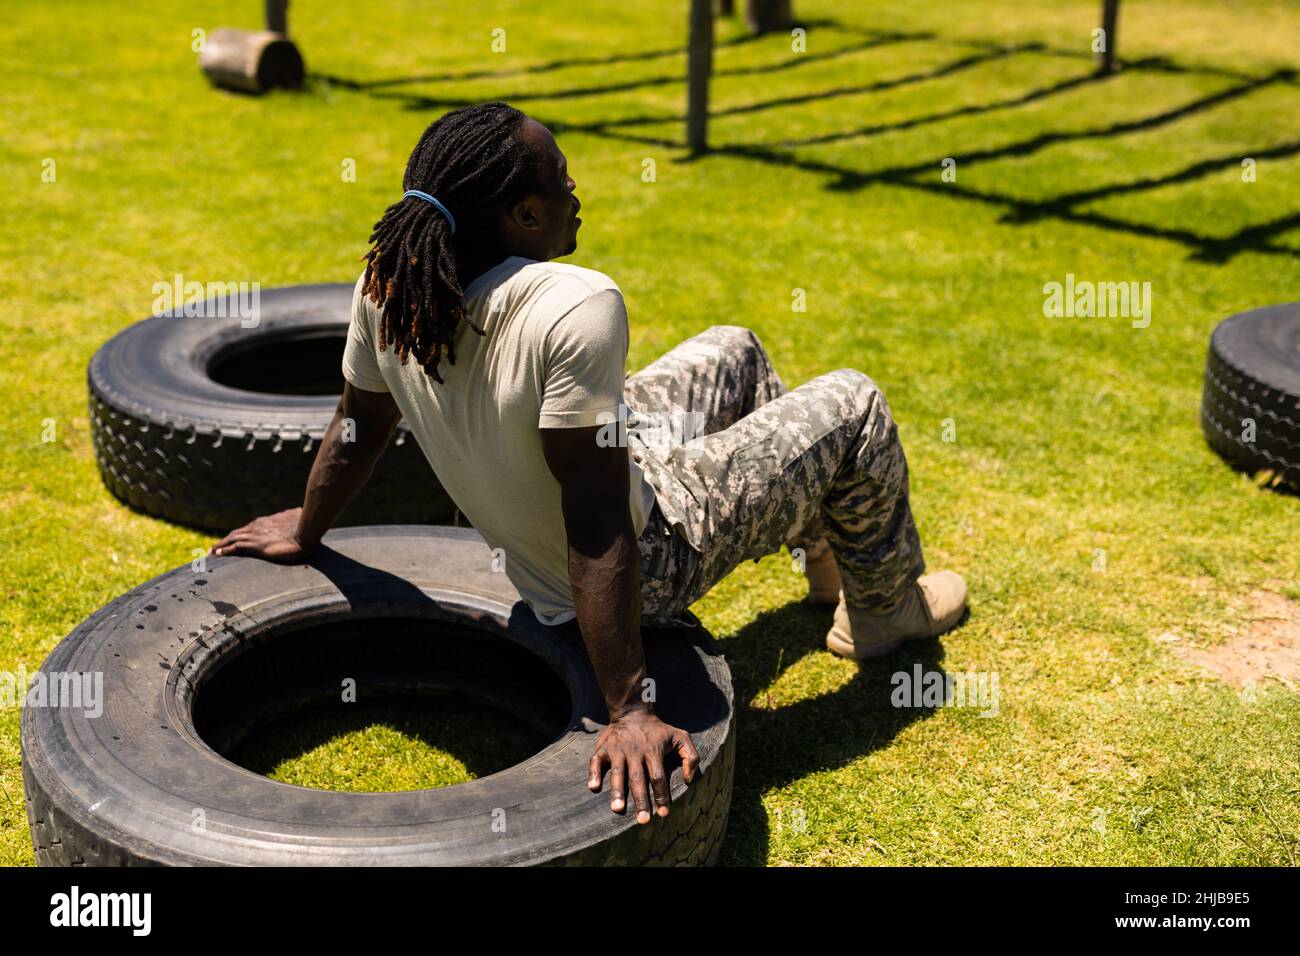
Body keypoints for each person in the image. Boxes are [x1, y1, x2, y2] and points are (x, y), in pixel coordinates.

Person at [211, 101, 968, 828]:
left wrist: (308, 527)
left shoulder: (390, 286)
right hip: (651, 554)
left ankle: (830, 559)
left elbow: (358, 422)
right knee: (853, 401)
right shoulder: (576, 303)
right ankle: (882, 611)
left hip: (551, 525)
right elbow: (600, 519)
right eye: (561, 176)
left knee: (735, 352)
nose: (576, 190)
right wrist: (630, 706)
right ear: (526, 217)